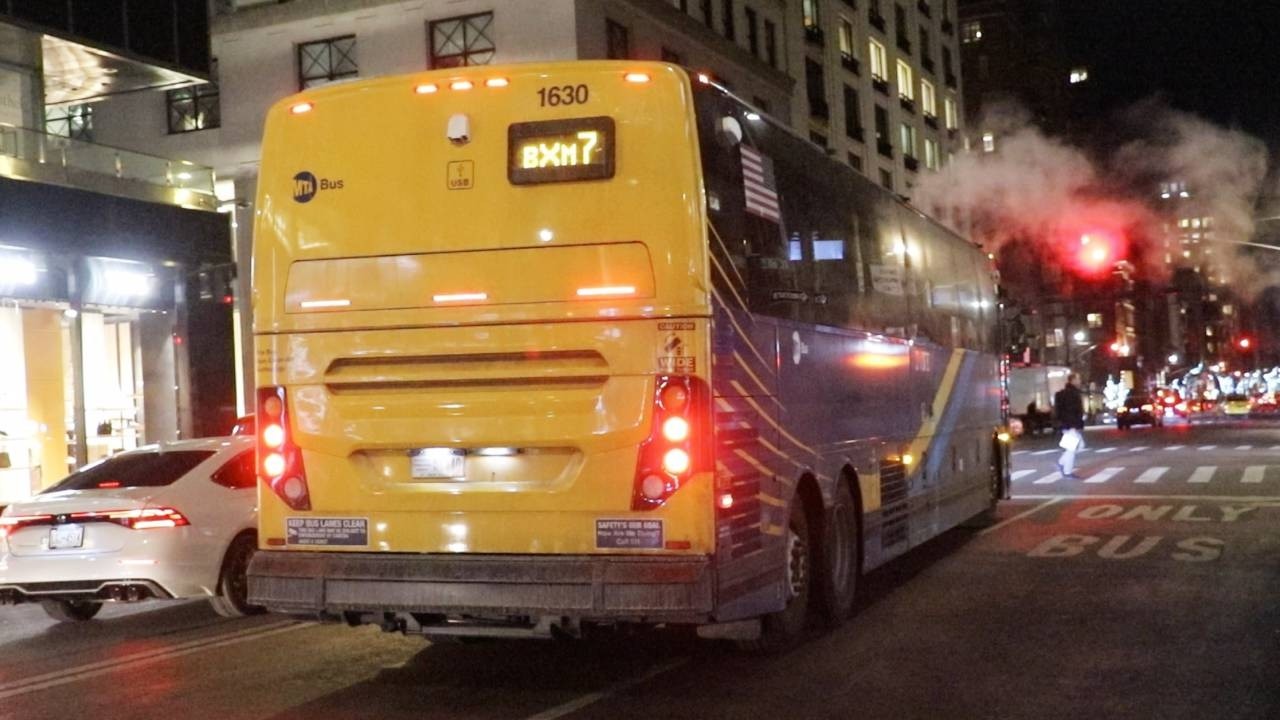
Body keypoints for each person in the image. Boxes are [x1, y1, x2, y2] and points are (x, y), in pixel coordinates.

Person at [1054, 373, 1086, 478]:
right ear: (1073, 380)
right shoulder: (1071, 394)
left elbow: (1059, 411)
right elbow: (1071, 411)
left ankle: (1061, 463)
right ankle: (1067, 471)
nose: (1080, 381)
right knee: (1072, 448)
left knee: (1079, 446)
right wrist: (1073, 424)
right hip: (1071, 425)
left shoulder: (1063, 393)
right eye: (1078, 379)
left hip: (1068, 425)